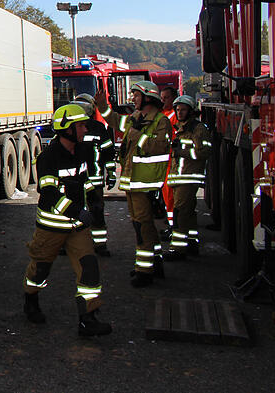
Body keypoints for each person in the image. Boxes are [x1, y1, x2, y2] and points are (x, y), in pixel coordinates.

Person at [23, 104, 112, 336]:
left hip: (77, 228)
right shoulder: (48, 158)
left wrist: (94, 200)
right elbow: (50, 193)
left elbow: (85, 180)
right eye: (81, 125)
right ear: (66, 129)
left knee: (89, 267)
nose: (85, 129)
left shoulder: (83, 151)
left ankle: (88, 318)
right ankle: (30, 300)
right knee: (39, 271)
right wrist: (76, 211)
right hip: (52, 227)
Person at [95, 81, 173, 287]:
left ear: (148, 97)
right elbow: (116, 121)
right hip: (133, 182)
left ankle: (144, 271)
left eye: (136, 96)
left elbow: (159, 147)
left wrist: (138, 136)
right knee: (144, 225)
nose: (133, 99)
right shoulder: (135, 118)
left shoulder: (161, 121)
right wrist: (103, 107)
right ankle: (155, 262)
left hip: (145, 183)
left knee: (142, 227)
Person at [165, 95, 212, 259]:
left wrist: (181, 151)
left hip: (189, 177)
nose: (180, 112)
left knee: (180, 214)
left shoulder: (198, 129)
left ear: (190, 111)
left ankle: (178, 250)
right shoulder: (179, 127)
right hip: (180, 177)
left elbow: (204, 152)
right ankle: (192, 243)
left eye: (183, 109)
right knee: (189, 213)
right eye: (177, 109)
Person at [72, 93, 115, 257]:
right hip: (77, 180)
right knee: (74, 211)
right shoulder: (71, 127)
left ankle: (100, 244)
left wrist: (111, 172)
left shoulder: (98, 128)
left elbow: (108, 153)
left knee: (96, 211)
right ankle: (74, 243)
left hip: (93, 180)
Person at [159, 86, 179, 235]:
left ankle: (174, 227)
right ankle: (172, 224)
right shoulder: (164, 114)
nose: (163, 100)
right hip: (165, 161)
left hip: (173, 161)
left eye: (166, 98)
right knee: (167, 195)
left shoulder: (174, 115)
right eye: (162, 97)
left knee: (171, 196)